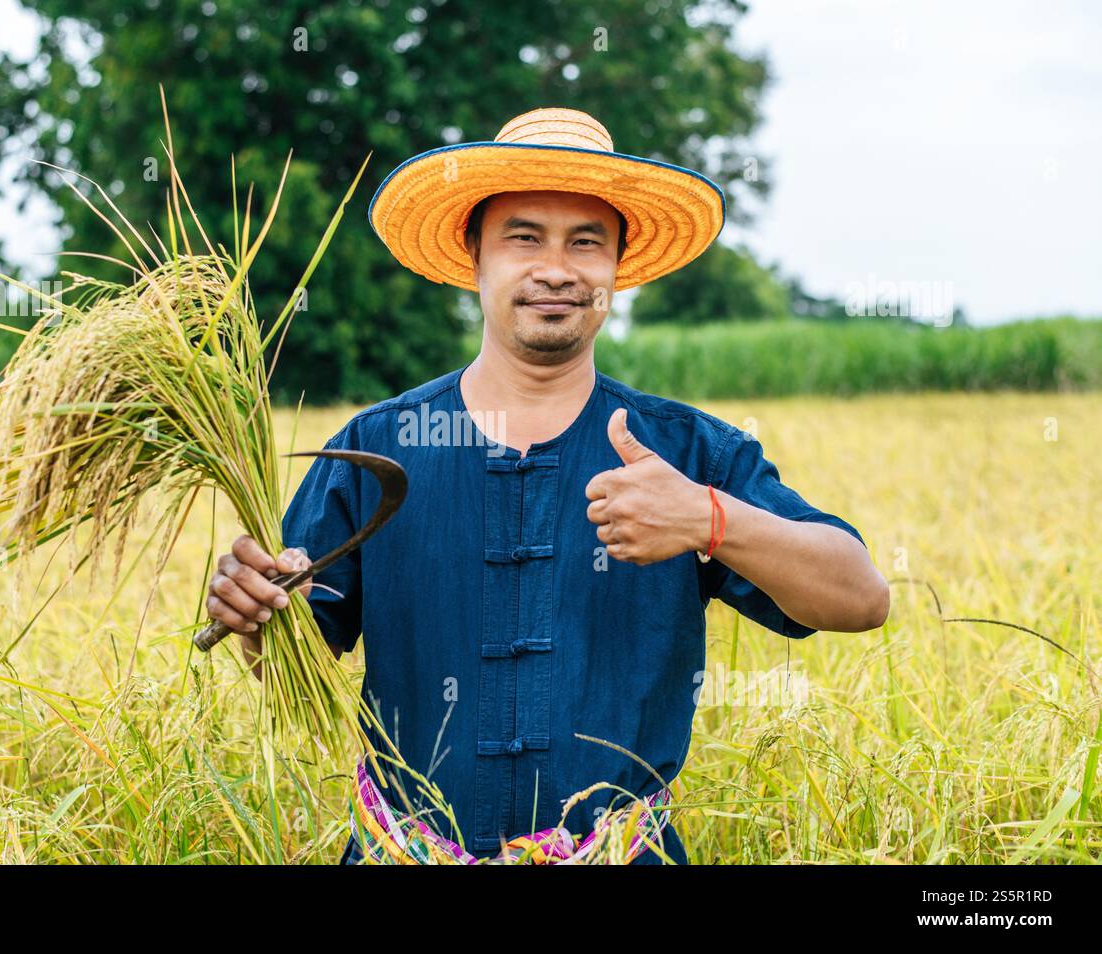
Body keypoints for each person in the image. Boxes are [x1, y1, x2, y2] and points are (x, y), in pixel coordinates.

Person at [205, 107, 890, 865]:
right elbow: (295, 653)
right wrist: (252, 612)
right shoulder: (378, 448)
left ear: (617, 269)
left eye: (586, 242)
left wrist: (708, 517)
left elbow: (860, 598)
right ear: (475, 256)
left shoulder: (688, 452)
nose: (557, 268)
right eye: (524, 237)